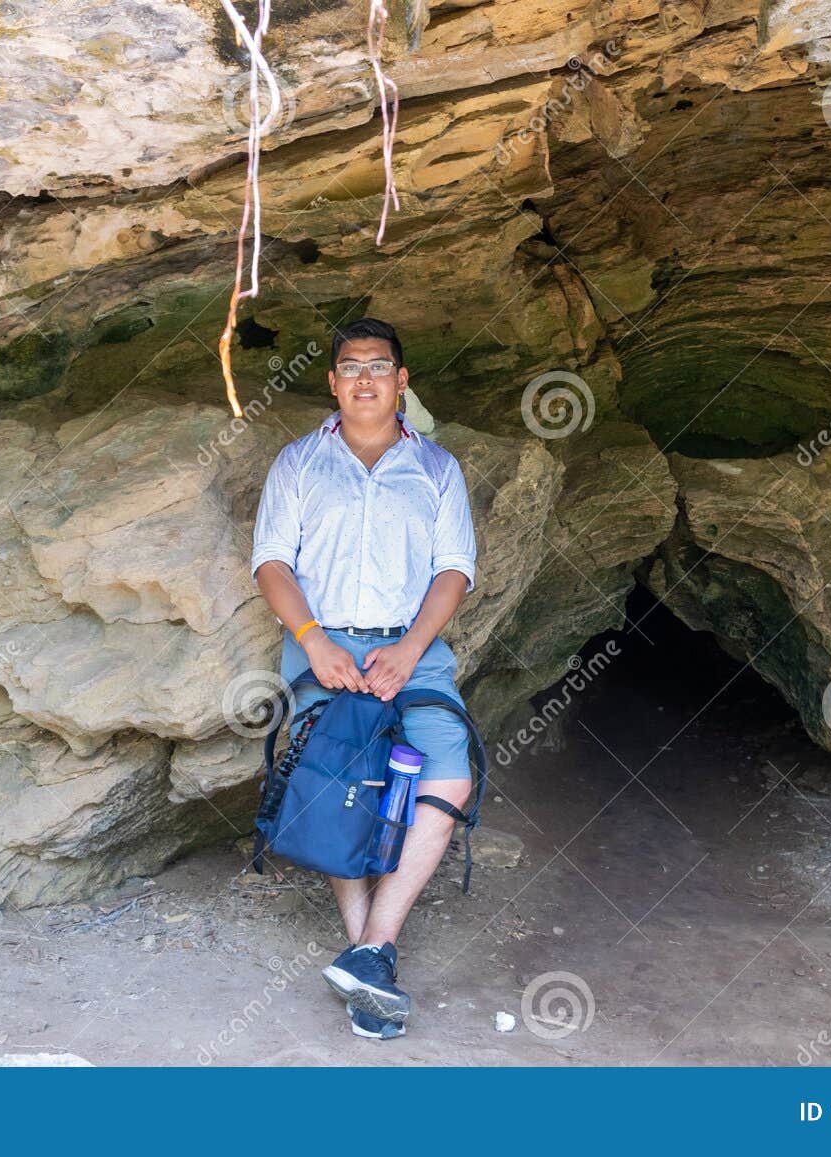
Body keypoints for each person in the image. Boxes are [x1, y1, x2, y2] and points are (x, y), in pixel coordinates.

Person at [250, 317, 478, 1040]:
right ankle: (372, 960)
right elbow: (272, 564)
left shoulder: (438, 468)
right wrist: (314, 642)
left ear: (402, 380)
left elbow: (454, 570)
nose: (366, 378)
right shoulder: (297, 463)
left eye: (380, 366)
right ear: (332, 382)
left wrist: (412, 648)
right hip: (327, 648)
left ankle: (371, 945)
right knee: (335, 774)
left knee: (449, 775)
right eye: (351, 367)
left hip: (414, 649)